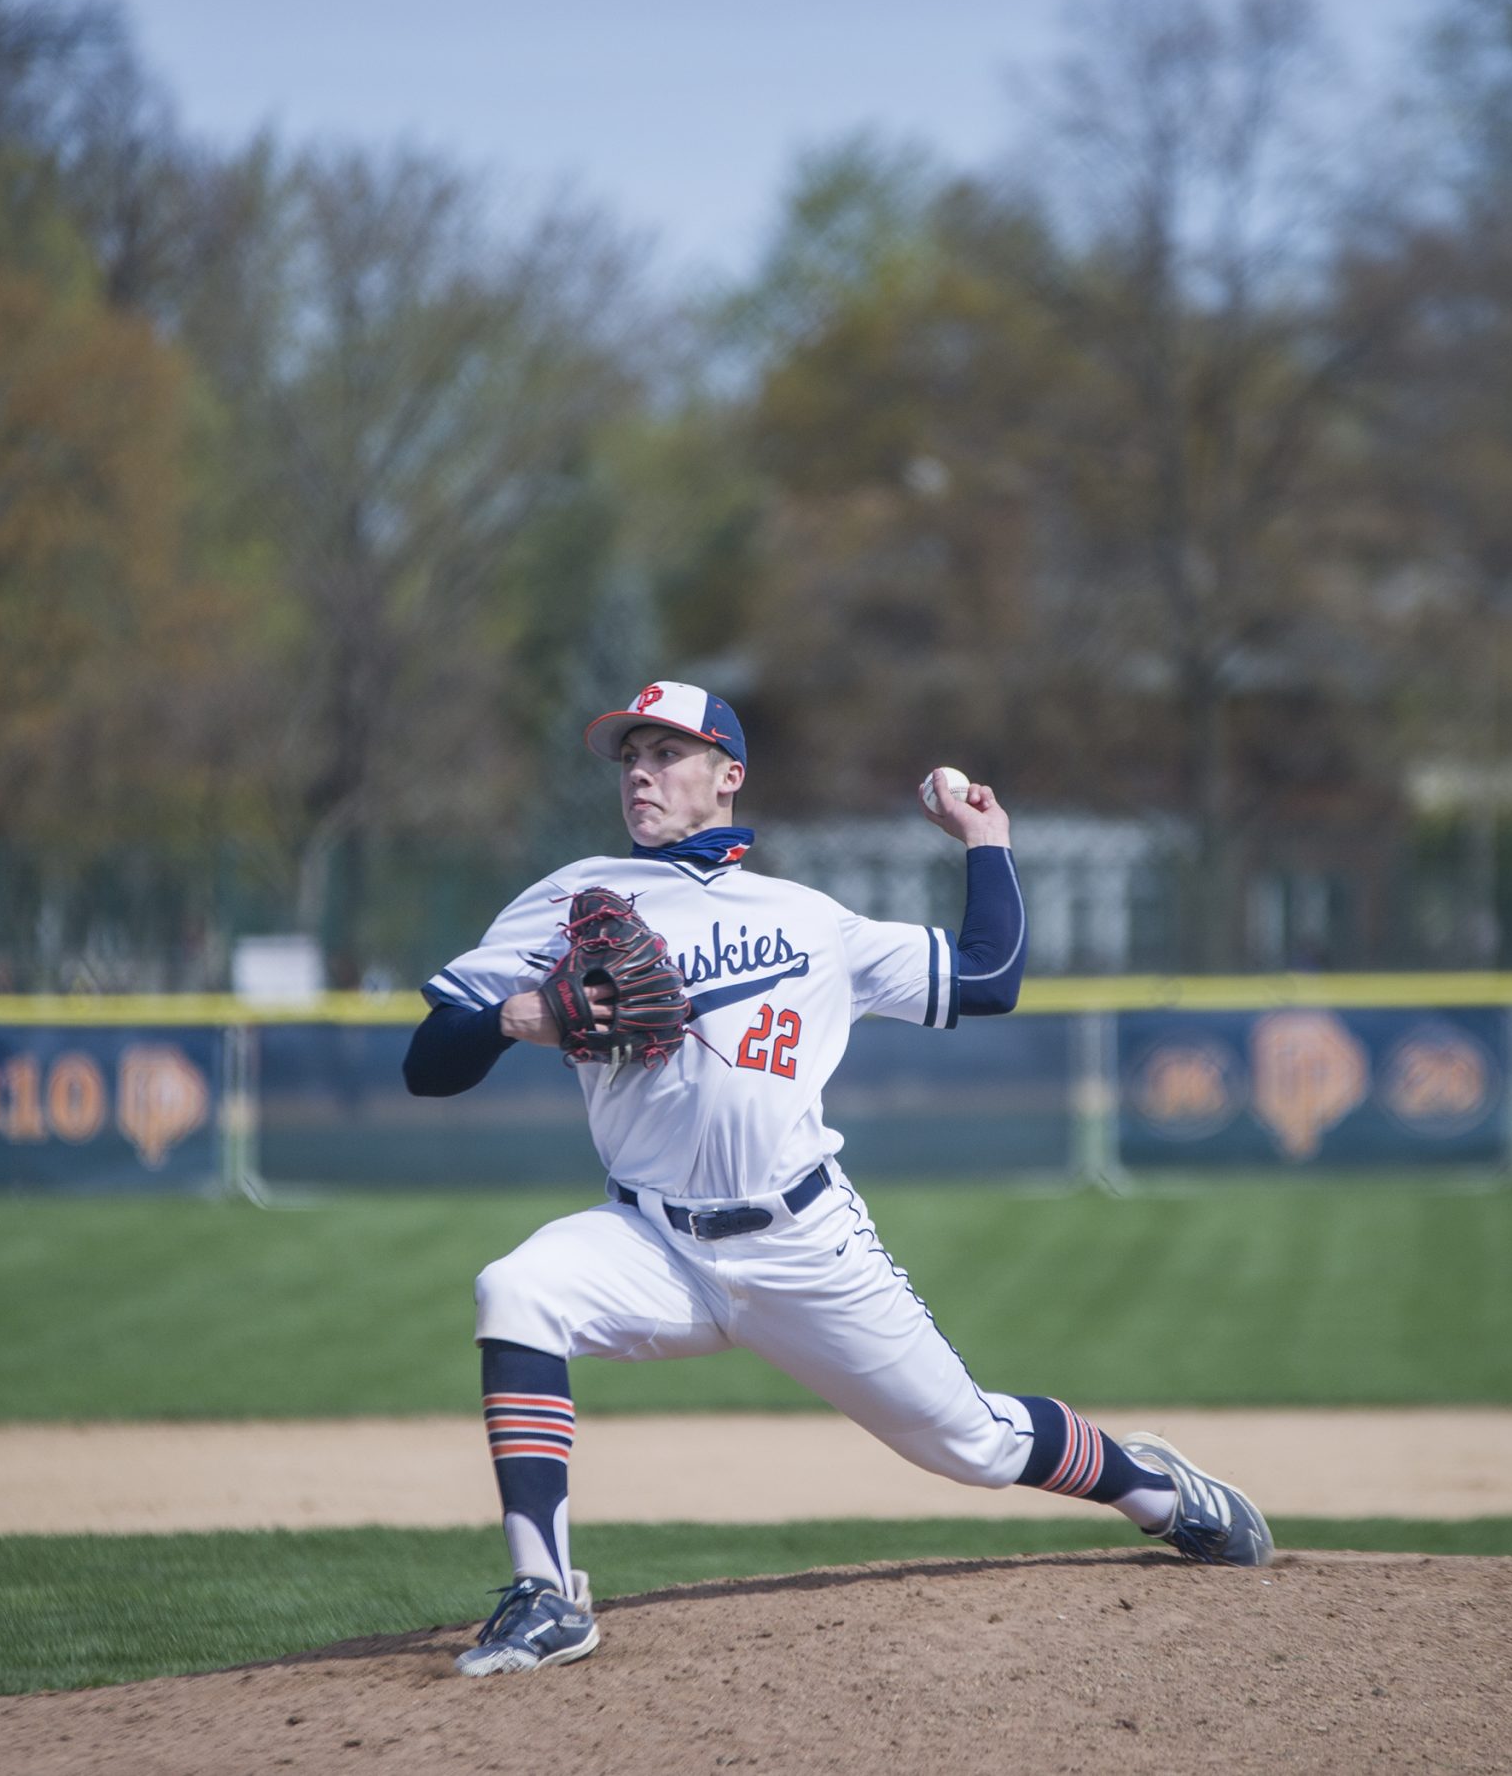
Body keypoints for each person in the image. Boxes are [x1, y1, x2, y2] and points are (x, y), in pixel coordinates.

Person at [404, 682, 1273, 1679]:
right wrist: (516, 1016)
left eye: (668, 752)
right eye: (629, 755)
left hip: (802, 1243)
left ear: (728, 775)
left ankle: (1156, 1494)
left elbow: (990, 977)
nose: (640, 771)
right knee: (516, 1289)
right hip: (649, 1242)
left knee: (974, 1445)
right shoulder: (569, 900)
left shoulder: (809, 920)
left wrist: (984, 839)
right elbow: (429, 1063)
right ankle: (546, 1594)